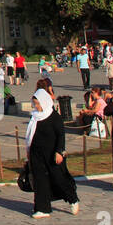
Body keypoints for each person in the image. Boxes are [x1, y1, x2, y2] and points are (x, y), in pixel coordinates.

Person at [26, 88, 79, 218]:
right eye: (35, 104)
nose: (36, 106)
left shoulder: (54, 117)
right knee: (40, 180)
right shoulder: (35, 117)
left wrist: (59, 151)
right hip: (36, 154)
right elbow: (30, 135)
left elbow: (61, 135)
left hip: (52, 153)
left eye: (38, 103)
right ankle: (43, 208)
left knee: (58, 177)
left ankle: (72, 199)